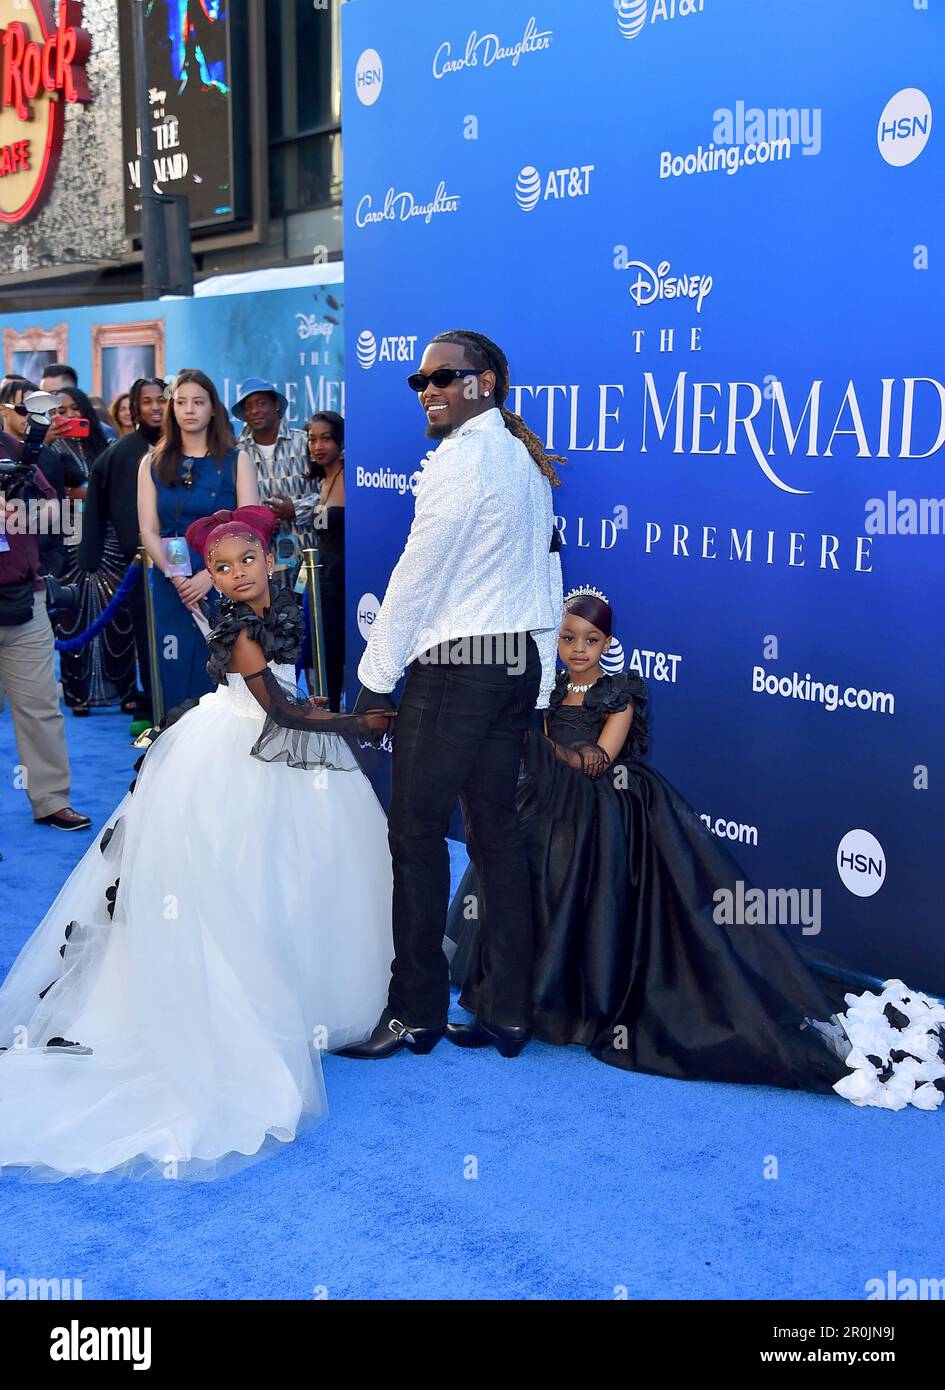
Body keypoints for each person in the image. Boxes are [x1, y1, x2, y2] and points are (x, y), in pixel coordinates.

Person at [0, 506, 396, 1180]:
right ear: (205, 578)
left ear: (269, 559)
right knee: (236, 877)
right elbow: (279, 709)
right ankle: (236, 1001)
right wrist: (358, 720)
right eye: (221, 567)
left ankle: (304, 993)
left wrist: (330, 710)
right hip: (236, 753)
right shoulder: (240, 631)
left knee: (298, 871)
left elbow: (294, 693)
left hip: (286, 754)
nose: (237, 575)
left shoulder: (288, 607)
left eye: (247, 560)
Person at [446, 588, 945, 1110]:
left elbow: (597, 760)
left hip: (608, 812)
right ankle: (517, 995)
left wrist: (532, 738)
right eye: (568, 638)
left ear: (607, 643)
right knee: (519, 870)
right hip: (544, 806)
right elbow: (537, 757)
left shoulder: (622, 694)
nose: (578, 649)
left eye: (590, 640)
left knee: (584, 883)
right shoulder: (546, 694)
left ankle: (577, 1003)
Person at [337, 329, 565, 1061]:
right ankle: (508, 1013)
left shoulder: (465, 462)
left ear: (487, 382)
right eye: (420, 380)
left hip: (460, 668)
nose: (428, 389)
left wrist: (374, 679)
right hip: (509, 668)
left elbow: (415, 577)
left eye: (445, 377)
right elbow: (546, 576)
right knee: (496, 837)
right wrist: (538, 682)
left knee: (414, 834)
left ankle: (416, 1012)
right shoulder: (521, 458)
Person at [137, 369, 257, 711]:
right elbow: (151, 529)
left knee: (224, 678)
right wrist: (179, 578)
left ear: (213, 408)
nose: (189, 409)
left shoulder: (237, 461)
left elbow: (251, 525)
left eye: (198, 402)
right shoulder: (152, 463)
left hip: (228, 582)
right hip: (172, 584)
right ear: (172, 409)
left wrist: (211, 576)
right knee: (173, 675)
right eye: (181, 402)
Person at [0, 396, 90, 831]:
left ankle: (51, 799)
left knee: (40, 705)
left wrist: (19, 513)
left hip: (24, 598)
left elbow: (57, 514)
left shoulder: (16, 450)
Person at [80, 378, 167, 719]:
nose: (156, 407)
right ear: (134, 408)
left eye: (162, 399)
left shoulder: (188, 446)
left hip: (191, 563)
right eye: (147, 401)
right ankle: (150, 704)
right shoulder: (118, 453)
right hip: (140, 565)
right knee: (146, 638)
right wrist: (90, 557)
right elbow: (95, 506)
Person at [47, 386, 137, 716]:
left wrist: (85, 494)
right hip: (68, 542)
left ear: (85, 409)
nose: (67, 416)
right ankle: (78, 695)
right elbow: (43, 493)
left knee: (117, 617)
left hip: (110, 540)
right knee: (71, 618)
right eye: (59, 411)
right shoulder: (49, 448)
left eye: (72, 409)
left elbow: (121, 489)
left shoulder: (108, 443)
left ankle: (125, 691)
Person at [277, 411, 345, 709]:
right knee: (316, 648)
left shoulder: (351, 475)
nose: (317, 446)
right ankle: (322, 712)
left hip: (343, 576)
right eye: (312, 439)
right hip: (320, 574)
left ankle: (334, 716)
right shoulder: (323, 479)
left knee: (333, 648)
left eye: (326, 438)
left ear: (341, 441)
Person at [233, 378, 314, 582]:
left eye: (261, 403)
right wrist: (258, 522)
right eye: (248, 406)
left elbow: (330, 496)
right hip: (258, 563)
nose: (255, 411)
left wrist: (295, 509)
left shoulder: (305, 442)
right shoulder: (235, 454)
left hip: (307, 558)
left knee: (311, 612)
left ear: (276, 405)